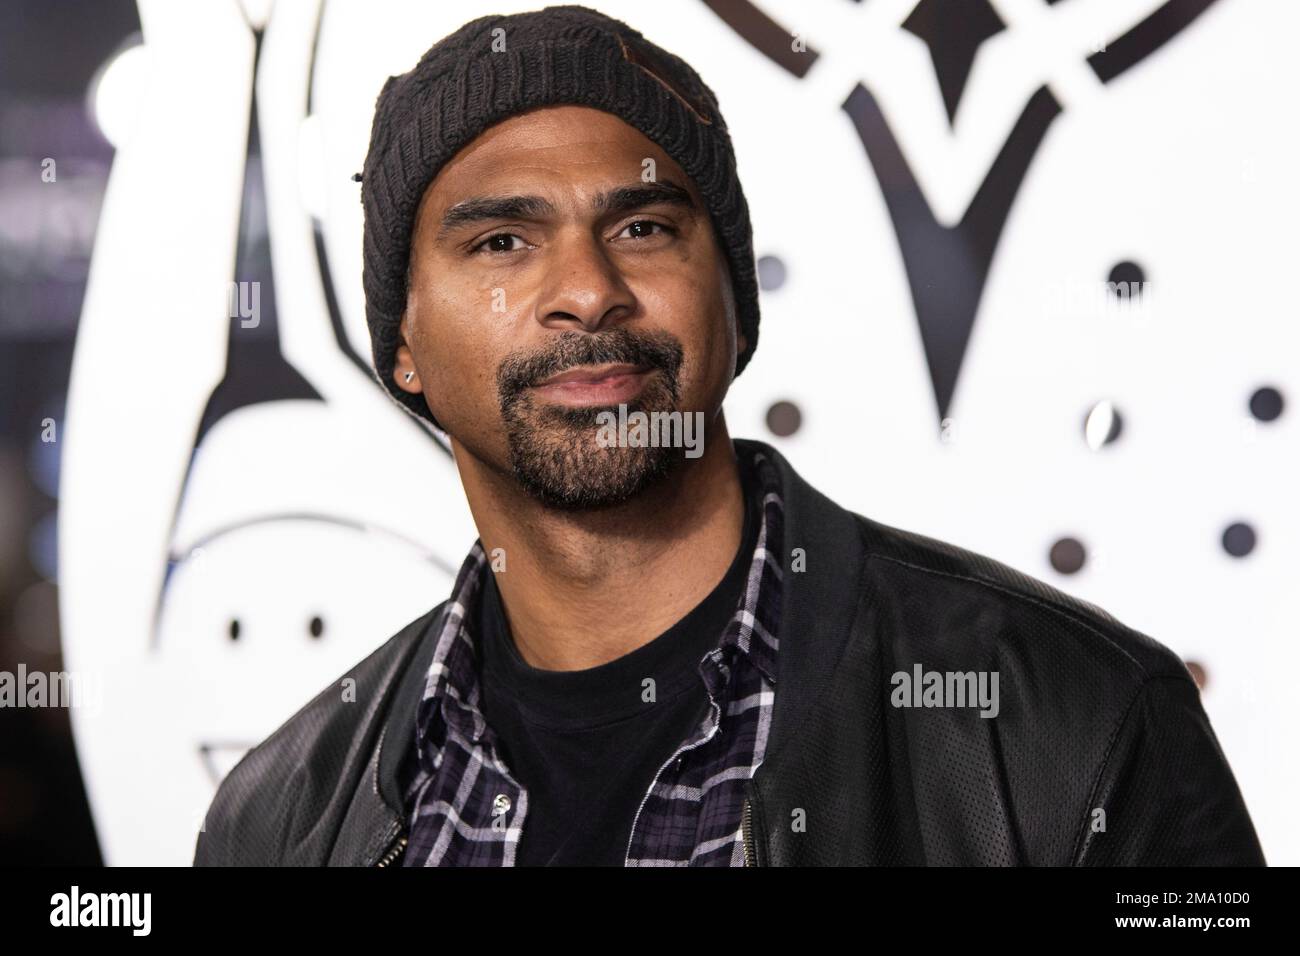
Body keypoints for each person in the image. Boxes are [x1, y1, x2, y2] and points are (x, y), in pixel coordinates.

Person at [194, 4, 1264, 867]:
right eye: (502, 240)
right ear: (404, 347)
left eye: (643, 228)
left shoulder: (1072, 718)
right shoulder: (278, 818)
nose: (586, 291)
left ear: (732, 304)